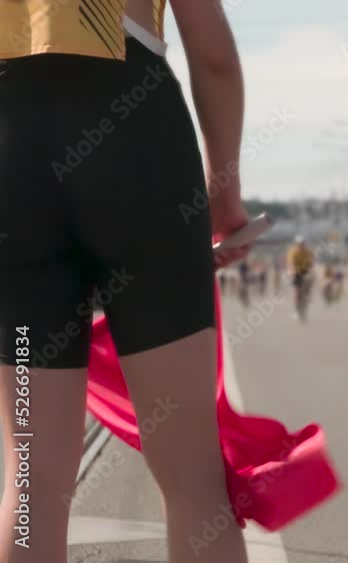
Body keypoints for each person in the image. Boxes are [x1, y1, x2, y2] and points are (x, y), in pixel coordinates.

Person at [0, 3, 251, 562]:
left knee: (33, 483)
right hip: (139, 148)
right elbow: (212, 57)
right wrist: (224, 191)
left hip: (13, 165)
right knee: (193, 478)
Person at [287, 236, 315, 319]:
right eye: (299, 244)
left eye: (302, 244)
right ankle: (296, 310)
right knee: (297, 291)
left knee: (311, 278)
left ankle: (308, 293)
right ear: (296, 244)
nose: (301, 246)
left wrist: (310, 271)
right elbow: (291, 263)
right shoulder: (293, 252)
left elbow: (311, 263)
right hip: (296, 271)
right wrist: (292, 272)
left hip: (305, 270)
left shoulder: (308, 252)